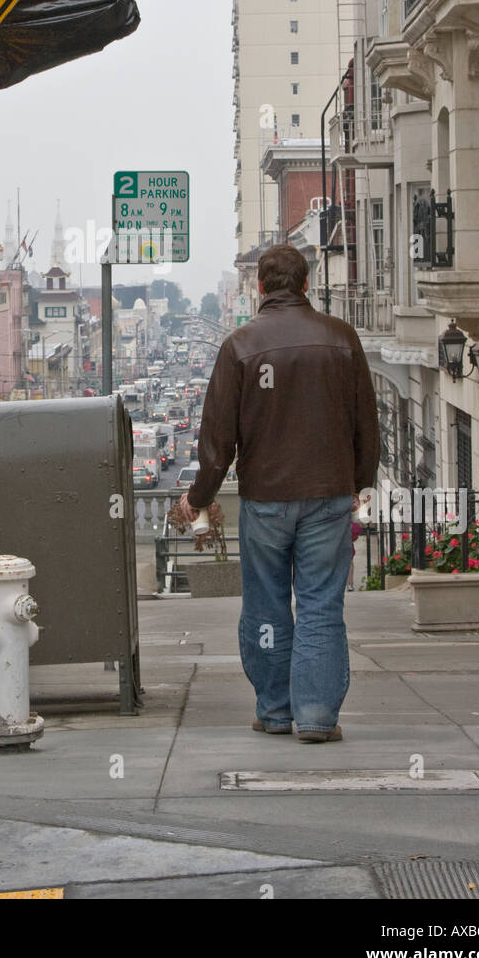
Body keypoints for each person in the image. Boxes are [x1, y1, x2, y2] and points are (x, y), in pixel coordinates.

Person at [173, 244, 379, 743]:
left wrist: (199, 498)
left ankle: (275, 709)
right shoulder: (342, 339)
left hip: (265, 500)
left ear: (260, 288)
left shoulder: (240, 346)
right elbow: (366, 426)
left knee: (266, 604)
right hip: (329, 495)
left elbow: (217, 442)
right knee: (320, 605)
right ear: (305, 284)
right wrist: (361, 485)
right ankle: (316, 715)